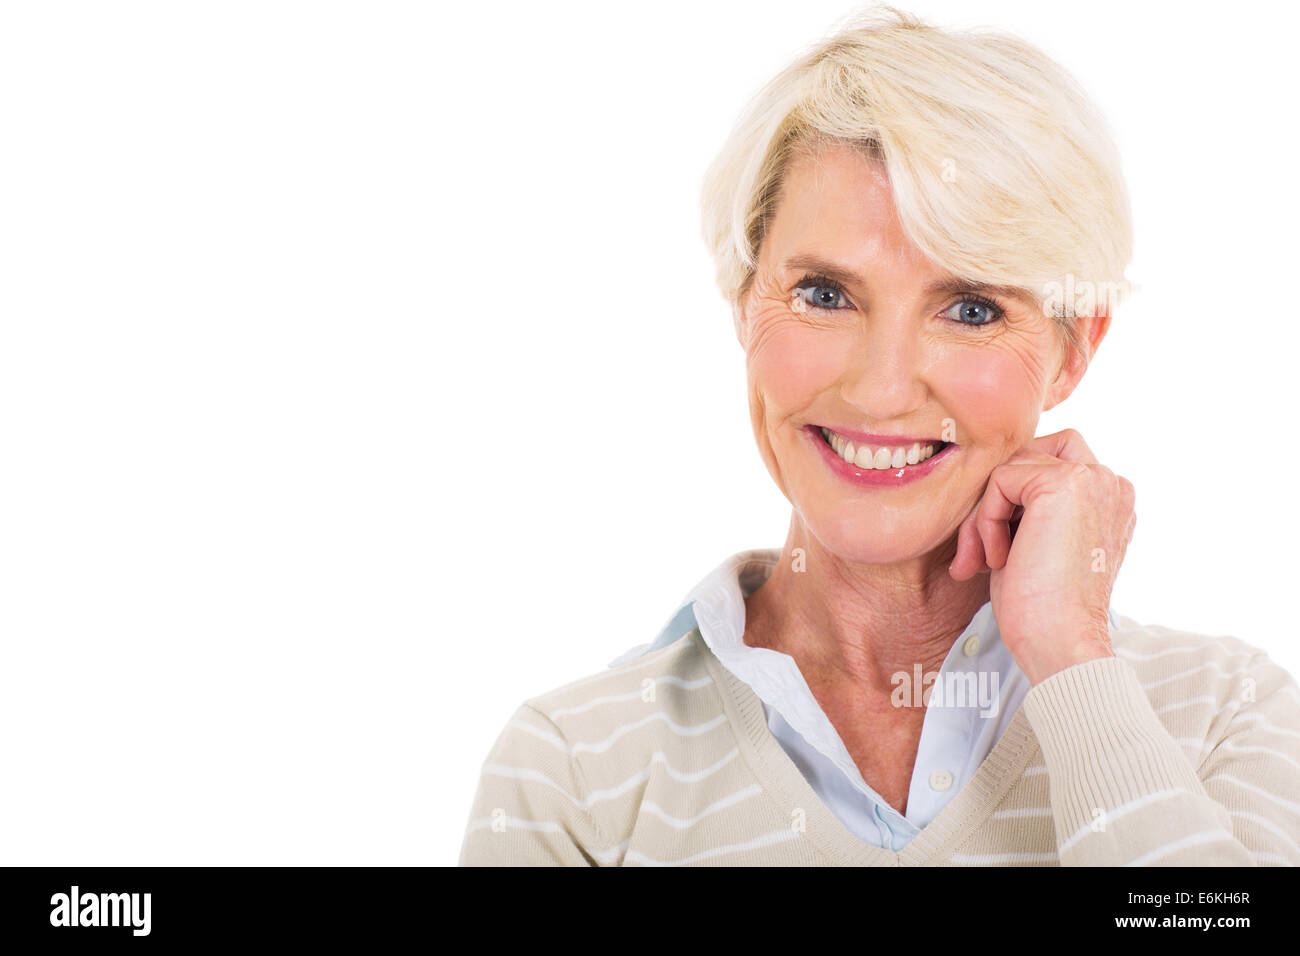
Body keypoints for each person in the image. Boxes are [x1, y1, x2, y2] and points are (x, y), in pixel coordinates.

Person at [458, 5, 1300, 866]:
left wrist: (1074, 662)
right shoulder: (573, 768)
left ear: (1073, 348)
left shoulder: (1222, 714)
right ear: (743, 301)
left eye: (972, 310)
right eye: (825, 294)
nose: (883, 387)